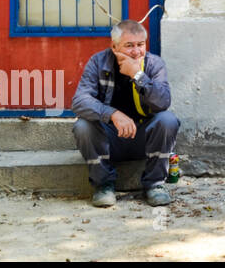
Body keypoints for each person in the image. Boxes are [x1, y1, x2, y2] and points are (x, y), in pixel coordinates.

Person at [71, 19, 180, 208]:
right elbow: (79, 101)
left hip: (144, 140)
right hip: (111, 140)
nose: (136, 51)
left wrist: (138, 75)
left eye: (140, 45)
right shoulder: (98, 62)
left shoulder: (154, 64)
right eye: (129, 46)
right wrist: (113, 114)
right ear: (114, 46)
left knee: (168, 120)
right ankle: (103, 185)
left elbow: (163, 102)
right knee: (82, 126)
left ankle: (155, 185)